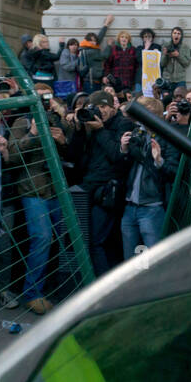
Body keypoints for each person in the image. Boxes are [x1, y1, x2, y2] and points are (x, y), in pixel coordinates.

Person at [7, 83, 74, 315]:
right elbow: (12, 156)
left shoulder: (56, 120)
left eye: (47, 97)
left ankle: (49, 288)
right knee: (42, 237)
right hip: (32, 190)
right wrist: (33, 134)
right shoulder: (23, 122)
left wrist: (63, 140)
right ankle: (31, 292)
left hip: (55, 189)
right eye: (40, 97)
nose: (44, 102)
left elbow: (73, 154)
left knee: (56, 239)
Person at [119, 97, 179, 257]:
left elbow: (174, 172)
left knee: (153, 260)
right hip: (130, 205)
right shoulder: (137, 133)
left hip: (152, 207)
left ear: (154, 115)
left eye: (143, 113)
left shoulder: (168, 137)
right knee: (129, 262)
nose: (139, 118)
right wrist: (124, 149)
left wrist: (159, 160)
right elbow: (122, 169)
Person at [81, 91, 132, 275]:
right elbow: (76, 156)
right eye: (96, 107)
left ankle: (101, 288)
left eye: (104, 107)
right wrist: (81, 130)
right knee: (86, 240)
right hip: (87, 187)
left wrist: (100, 130)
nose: (100, 111)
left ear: (113, 107)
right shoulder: (89, 123)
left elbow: (117, 155)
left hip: (108, 191)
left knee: (97, 241)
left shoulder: (123, 124)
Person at [136, 28, 162, 95]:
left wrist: (157, 52)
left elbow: (161, 62)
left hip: (153, 77)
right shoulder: (139, 48)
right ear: (143, 38)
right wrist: (146, 49)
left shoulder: (157, 47)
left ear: (152, 38)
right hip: (141, 77)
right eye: (145, 36)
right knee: (138, 97)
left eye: (149, 36)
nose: (147, 38)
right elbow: (139, 60)